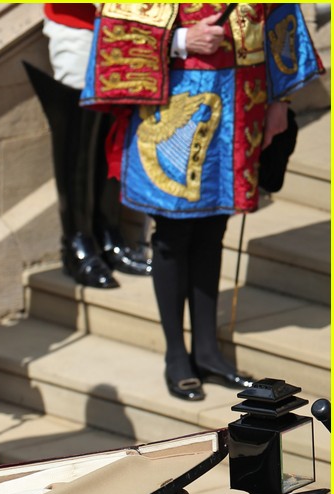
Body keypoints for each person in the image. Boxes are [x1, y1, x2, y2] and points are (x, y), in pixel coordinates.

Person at [82, 4, 322, 401]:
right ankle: (177, 356)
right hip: (175, 102)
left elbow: (281, 16)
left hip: (244, 102)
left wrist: (282, 100)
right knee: (173, 235)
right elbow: (116, 29)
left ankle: (208, 352)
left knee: (214, 228)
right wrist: (180, 40)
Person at [24, 4, 149, 290]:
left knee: (114, 129)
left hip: (126, 25)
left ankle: (108, 234)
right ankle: (77, 242)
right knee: (77, 133)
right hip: (79, 22)